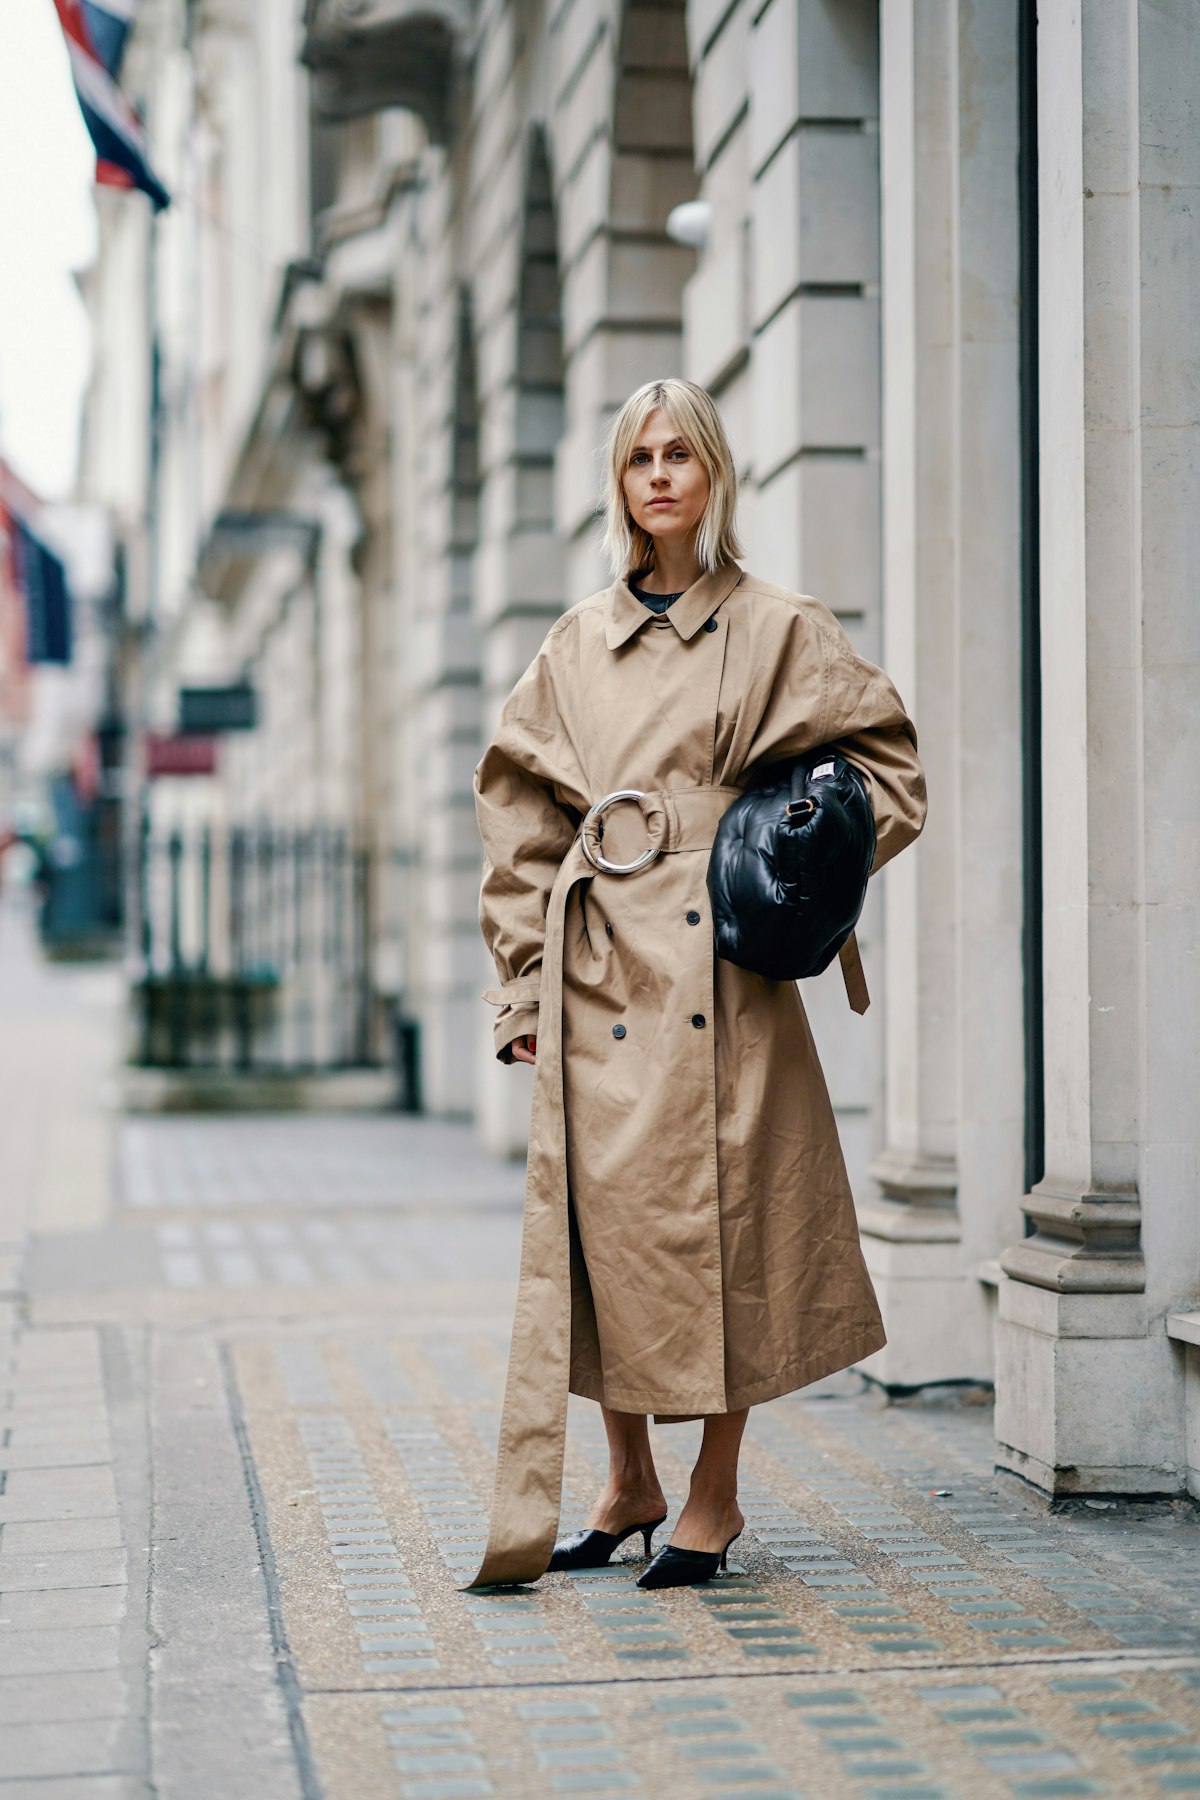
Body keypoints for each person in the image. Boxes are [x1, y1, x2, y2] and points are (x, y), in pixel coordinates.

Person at [471, 378, 926, 1591]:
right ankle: (627, 1480)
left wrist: (797, 866)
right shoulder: (575, 642)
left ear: (715, 473)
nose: (661, 475)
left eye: (682, 455)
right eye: (639, 459)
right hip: (599, 964)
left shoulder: (781, 626)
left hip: (725, 970)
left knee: (737, 1228)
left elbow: (887, 767)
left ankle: (713, 1495)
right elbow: (517, 819)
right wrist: (522, 992)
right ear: (620, 486)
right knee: (600, 1229)